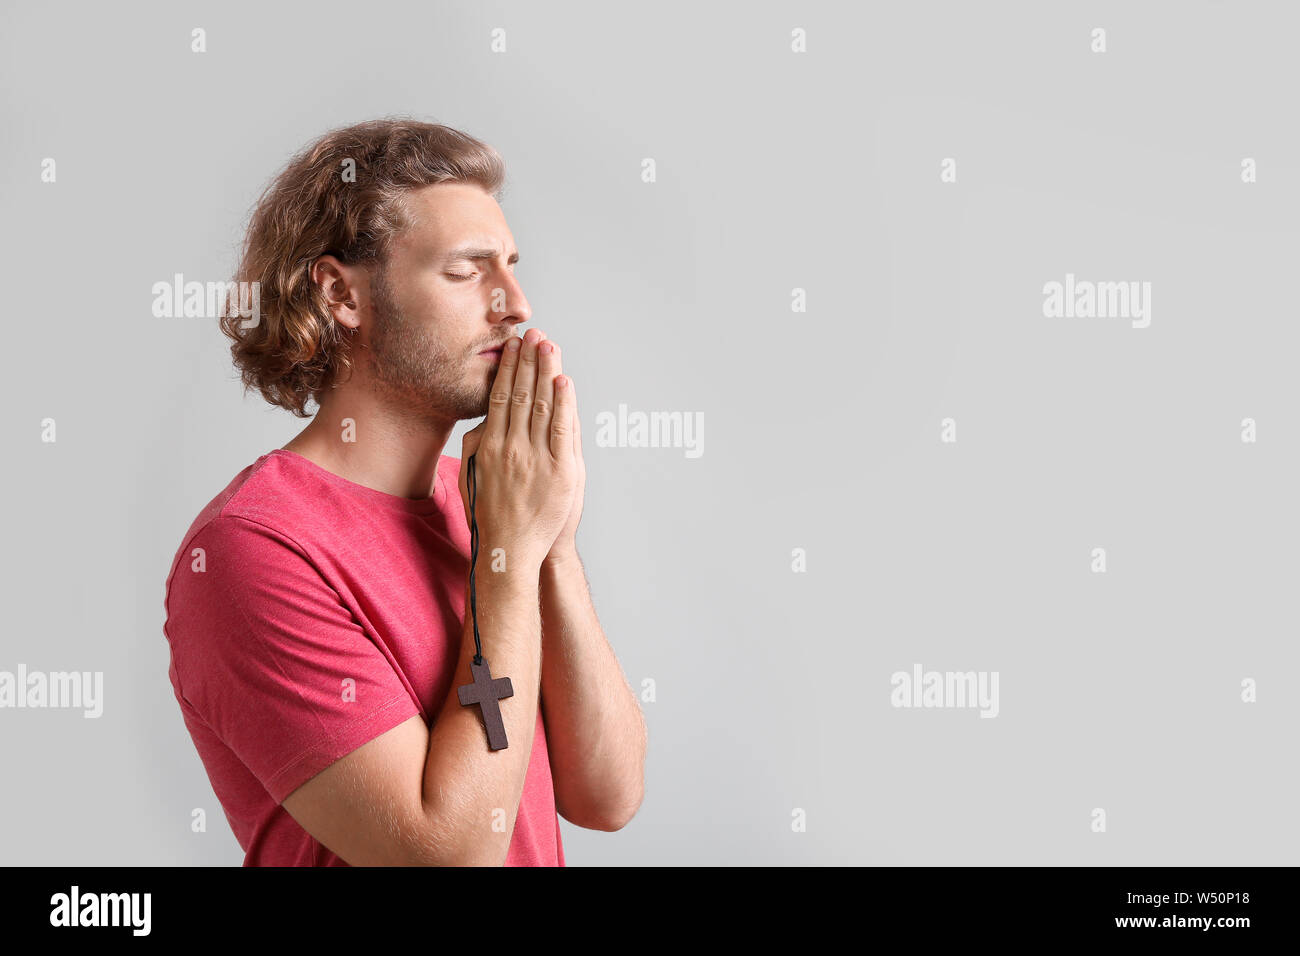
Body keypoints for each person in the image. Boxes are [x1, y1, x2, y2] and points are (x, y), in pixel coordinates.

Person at [162, 118, 646, 866]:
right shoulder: (253, 551)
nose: (514, 303)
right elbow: (443, 853)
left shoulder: (488, 501)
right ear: (341, 295)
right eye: (466, 271)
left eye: (512, 266)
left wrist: (553, 542)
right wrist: (509, 557)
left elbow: (608, 795)